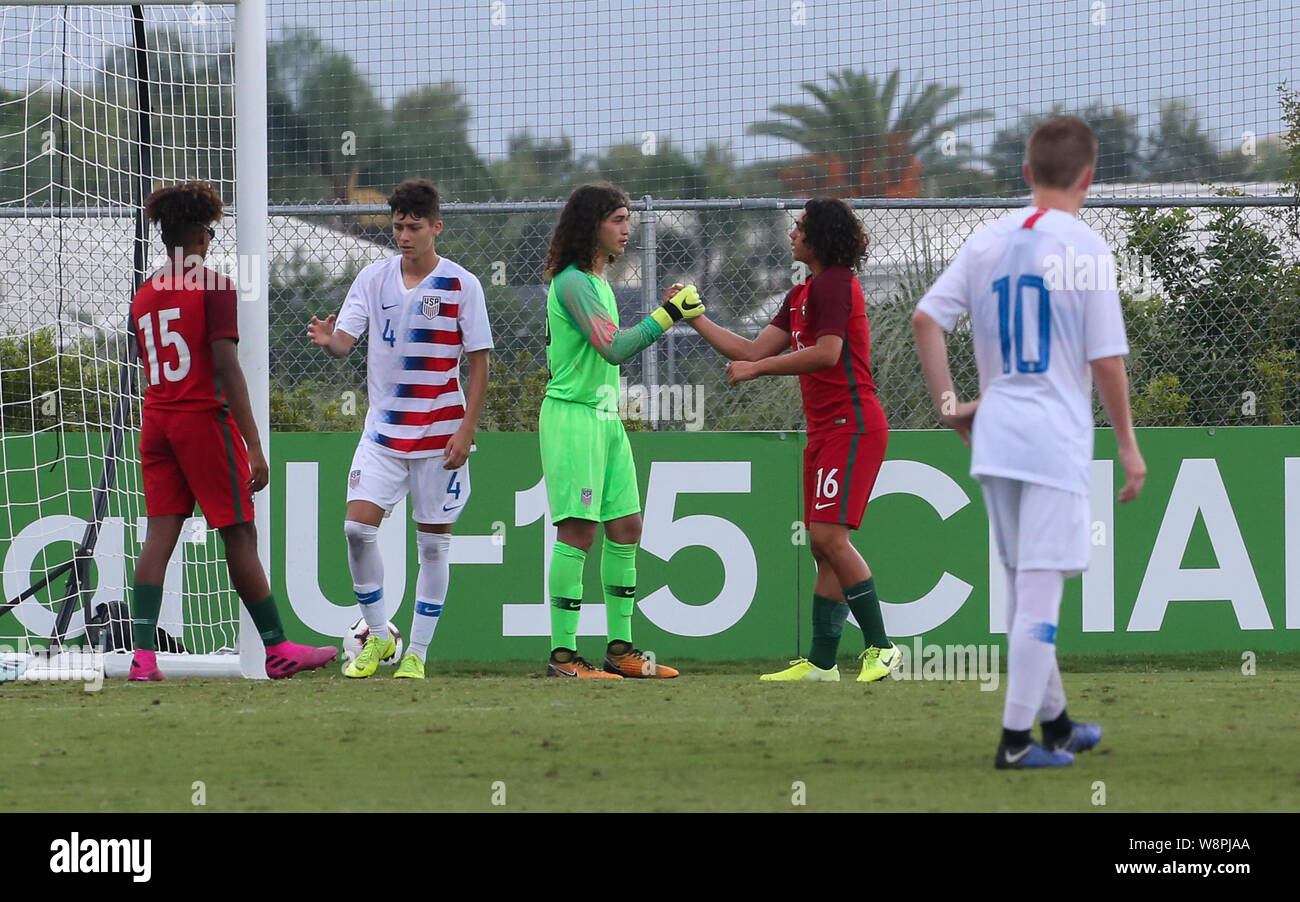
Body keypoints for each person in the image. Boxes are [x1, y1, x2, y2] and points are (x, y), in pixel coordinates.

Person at [912, 115, 1146, 769]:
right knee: (1039, 596)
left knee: (1023, 592)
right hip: (1052, 439)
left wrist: (951, 406)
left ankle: (1059, 727)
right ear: (1089, 177)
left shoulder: (987, 241)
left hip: (997, 437)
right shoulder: (1087, 248)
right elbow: (1106, 362)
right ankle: (1015, 745)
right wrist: (1128, 445)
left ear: (1026, 174)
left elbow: (926, 318)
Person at [128, 181, 337, 680]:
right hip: (201, 420)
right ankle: (277, 648)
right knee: (239, 532)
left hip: (156, 421)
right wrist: (254, 443)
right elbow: (226, 364)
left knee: (160, 533)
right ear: (201, 236)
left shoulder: (144, 295)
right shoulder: (214, 286)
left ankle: (141, 657)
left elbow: (149, 362)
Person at [690, 197, 899, 683]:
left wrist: (758, 368)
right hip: (825, 432)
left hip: (854, 426)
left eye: (801, 227)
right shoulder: (801, 294)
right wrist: (694, 316)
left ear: (820, 237)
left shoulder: (836, 284)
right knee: (822, 547)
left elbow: (828, 354)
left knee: (829, 537)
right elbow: (747, 350)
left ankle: (883, 647)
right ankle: (823, 665)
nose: (792, 233)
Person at [308, 178, 492, 680]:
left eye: (414, 227)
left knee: (432, 545)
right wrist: (329, 340)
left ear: (436, 227)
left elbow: (479, 364)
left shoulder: (462, 285)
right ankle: (379, 637)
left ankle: (418, 653)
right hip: (383, 434)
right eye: (397, 226)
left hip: (440, 434)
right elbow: (346, 342)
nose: (404, 235)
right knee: (356, 529)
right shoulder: (373, 278)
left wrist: (465, 430)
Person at [540, 183, 702, 678]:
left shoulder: (599, 283)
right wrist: (668, 314)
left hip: (606, 419)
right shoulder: (572, 282)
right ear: (592, 226)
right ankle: (563, 657)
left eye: (627, 218)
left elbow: (615, 344)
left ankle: (620, 650)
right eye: (616, 219)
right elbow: (614, 348)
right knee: (579, 531)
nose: (626, 228)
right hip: (573, 417)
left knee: (627, 527)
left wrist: (664, 313)